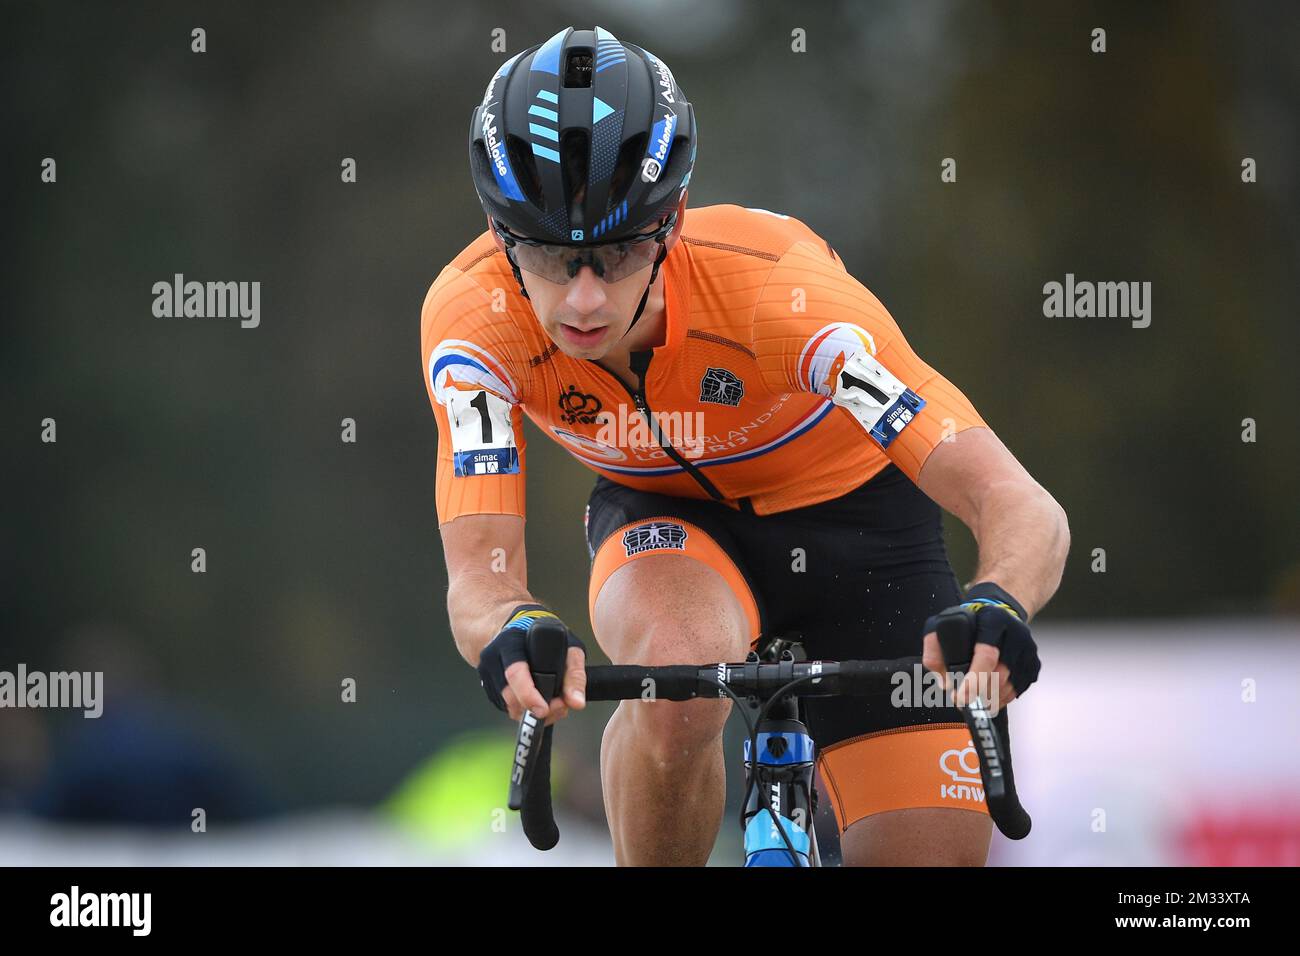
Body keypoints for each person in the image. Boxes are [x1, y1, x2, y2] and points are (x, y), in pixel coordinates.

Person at [421, 26, 1069, 865]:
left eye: (616, 253)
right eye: (548, 253)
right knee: (678, 679)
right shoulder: (474, 321)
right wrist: (516, 624)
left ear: (671, 222)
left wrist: (1002, 596)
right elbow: (481, 576)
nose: (582, 297)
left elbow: (1017, 503)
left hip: (862, 532)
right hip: (668, 522)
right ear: (497, 228)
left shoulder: (784, 299)